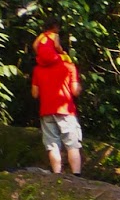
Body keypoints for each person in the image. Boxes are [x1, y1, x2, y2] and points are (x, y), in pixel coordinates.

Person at [30, 20, 83, 177]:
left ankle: (57, 175)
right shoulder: (69, 66)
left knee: (52, 144)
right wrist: (78, 87)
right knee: (72, 144)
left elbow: (34, 94)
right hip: (66, 110)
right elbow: (75, 91)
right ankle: (76, 175)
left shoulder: (38, 69)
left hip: (47, 110)